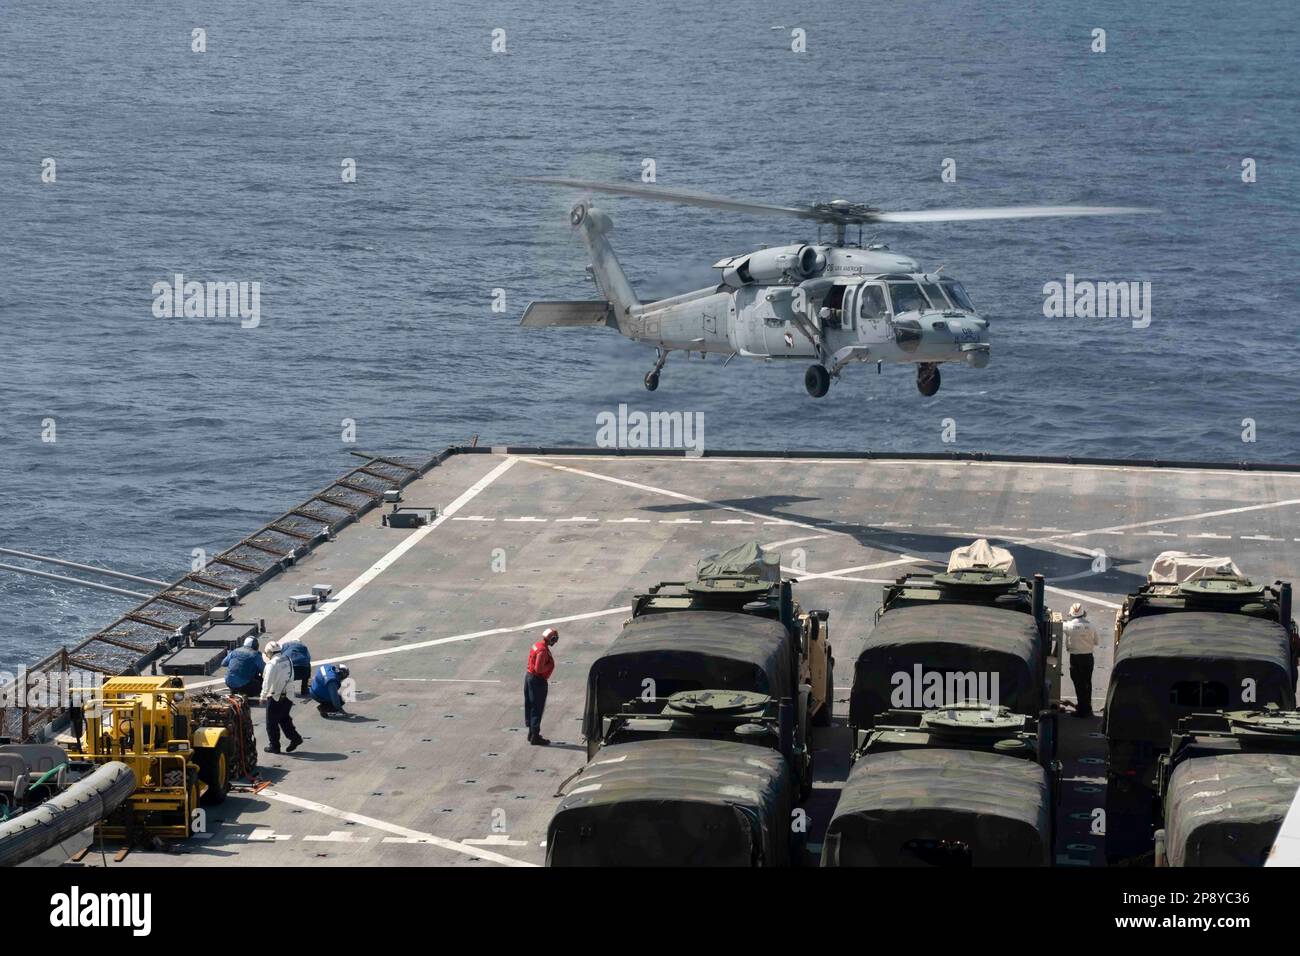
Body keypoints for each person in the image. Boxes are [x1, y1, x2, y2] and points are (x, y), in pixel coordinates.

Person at [260, 641, 303, 753]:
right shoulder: (287, 659)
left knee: (271, 723)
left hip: (275, 696)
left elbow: (267, 682)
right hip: (288, 696)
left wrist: (263, 696)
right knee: (284, 719)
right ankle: (295, 738)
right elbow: (292, 676)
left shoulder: (271, 664)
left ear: (269, 653)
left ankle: (274, 746)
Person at [1064, 602, 1102, 718]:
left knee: (1078, 683)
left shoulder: (1068, 626)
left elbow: (1058, 626)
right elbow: (1096, 641)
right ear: (1084, 613)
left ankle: (1082, 708)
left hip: (1075, 657)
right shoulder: (1091, 626)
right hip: (1088, 657)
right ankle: (1087, 706)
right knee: (1087, 682)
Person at [524, 627, 558, 746]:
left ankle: (531, 733)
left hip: (529, 677)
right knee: (537, 707)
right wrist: (550, 665)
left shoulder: (537, 645)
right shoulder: (543, 651)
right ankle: (535, 736)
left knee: (530, 705)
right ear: (551, 639)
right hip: (537, 681)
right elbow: (539, 669)